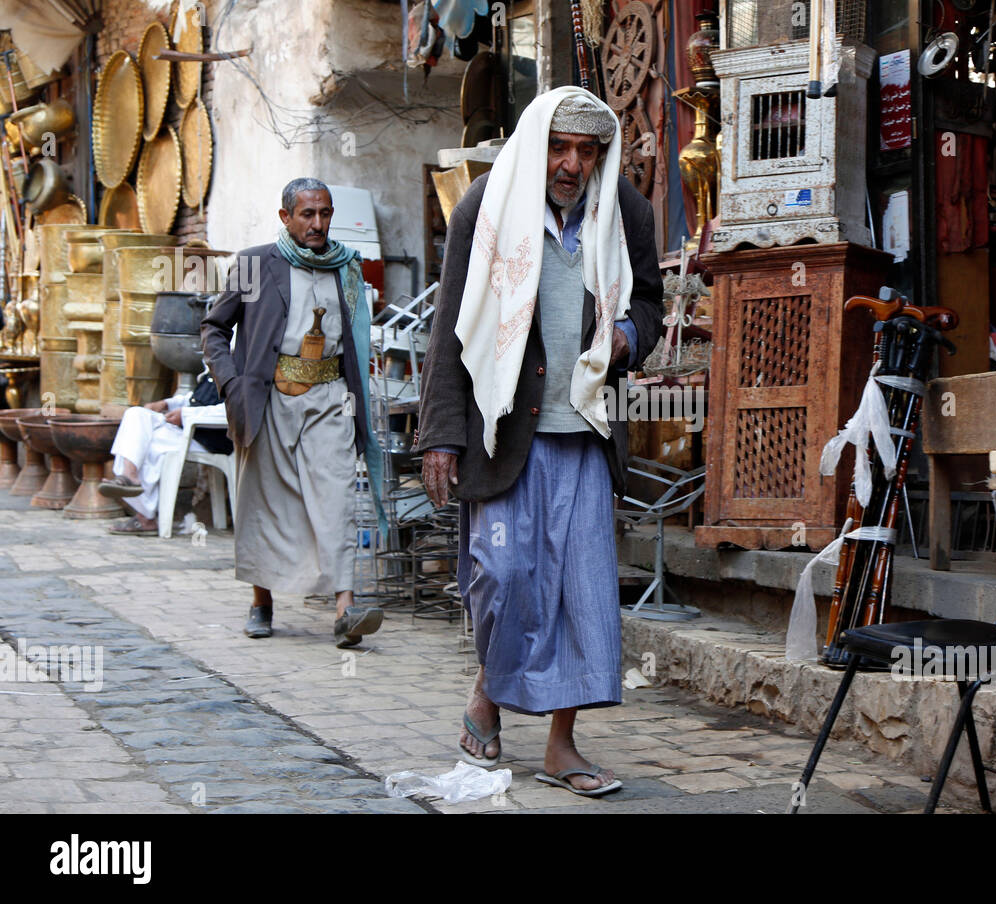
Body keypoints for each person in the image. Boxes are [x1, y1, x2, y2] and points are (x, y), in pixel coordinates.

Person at [417, 87, 664, 796]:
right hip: (502, 434)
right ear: (537, 145)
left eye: (587, 151)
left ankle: (562, 745)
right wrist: (440, 435)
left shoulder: (626, 213)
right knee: (504, 579)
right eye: (560, 147)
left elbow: (647, 299)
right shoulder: (486, 206)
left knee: (582, 594)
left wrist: (628, 334)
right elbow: (450, 326)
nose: (571, 164)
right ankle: (487, 696)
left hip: (584, 432)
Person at [200, 178, 387, 648]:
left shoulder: (346, 265)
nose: (318, 224)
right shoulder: (252, 263)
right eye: (308, 214)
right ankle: (261, 601)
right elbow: (214, 329)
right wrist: (232, 384)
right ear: (285, 217)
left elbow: (357, 338)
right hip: (269, 398)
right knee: (265, 502)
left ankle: (345, 610)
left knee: (337, 497)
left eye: (324, 214)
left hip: (329, 399)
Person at [100, 371, 232, 535]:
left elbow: (233, 409)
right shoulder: (217, 365)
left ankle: (144, 515)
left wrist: (185, 415)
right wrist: (165, 403)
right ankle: (130, 475)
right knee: (135, 416)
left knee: (142, 442)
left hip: (210, 438)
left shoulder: (238, 365)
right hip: (190, 432)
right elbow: (197, 399)